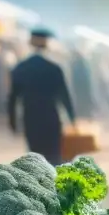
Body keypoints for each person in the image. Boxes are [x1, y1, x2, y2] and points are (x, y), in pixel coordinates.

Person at [8, 28, 75, 166]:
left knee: (36, 157)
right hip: (51, 118)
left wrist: (13, 122)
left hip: (31, 118)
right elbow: (64, 96)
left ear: (30, 44)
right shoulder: (54, 68)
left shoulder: (21, 68)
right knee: (54, 156)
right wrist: (72, 117)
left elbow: (12, 98)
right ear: (47, 44)